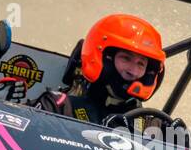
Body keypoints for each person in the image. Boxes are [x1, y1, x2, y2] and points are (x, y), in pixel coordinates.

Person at [32, 13, 166, 123]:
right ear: (104, 59)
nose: (133, 71)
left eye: (141, 64)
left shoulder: (152, 126)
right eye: (126, 58)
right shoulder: (58, 106)